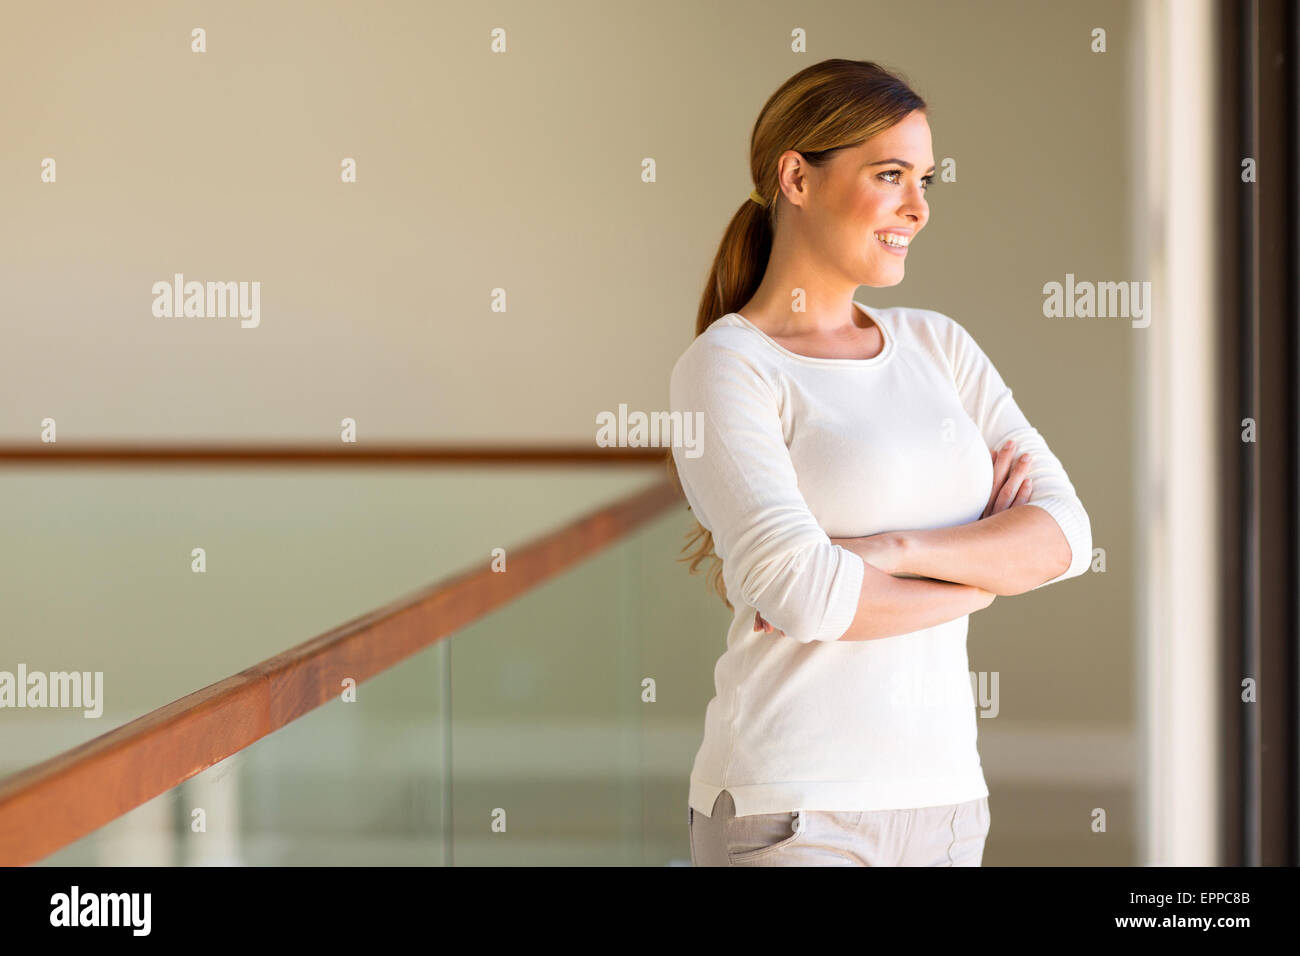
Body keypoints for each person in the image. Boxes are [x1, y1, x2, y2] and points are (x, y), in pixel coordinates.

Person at [665, 58, 1092, 866]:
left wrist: (898, 553)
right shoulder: (728, 367)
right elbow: (808, 596)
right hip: (791, 810)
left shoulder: (940, 346)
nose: (917, 208)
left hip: (947, 803)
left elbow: (1067, 538)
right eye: (889, 175)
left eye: (925, 179)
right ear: (796, 176)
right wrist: (988, 576)